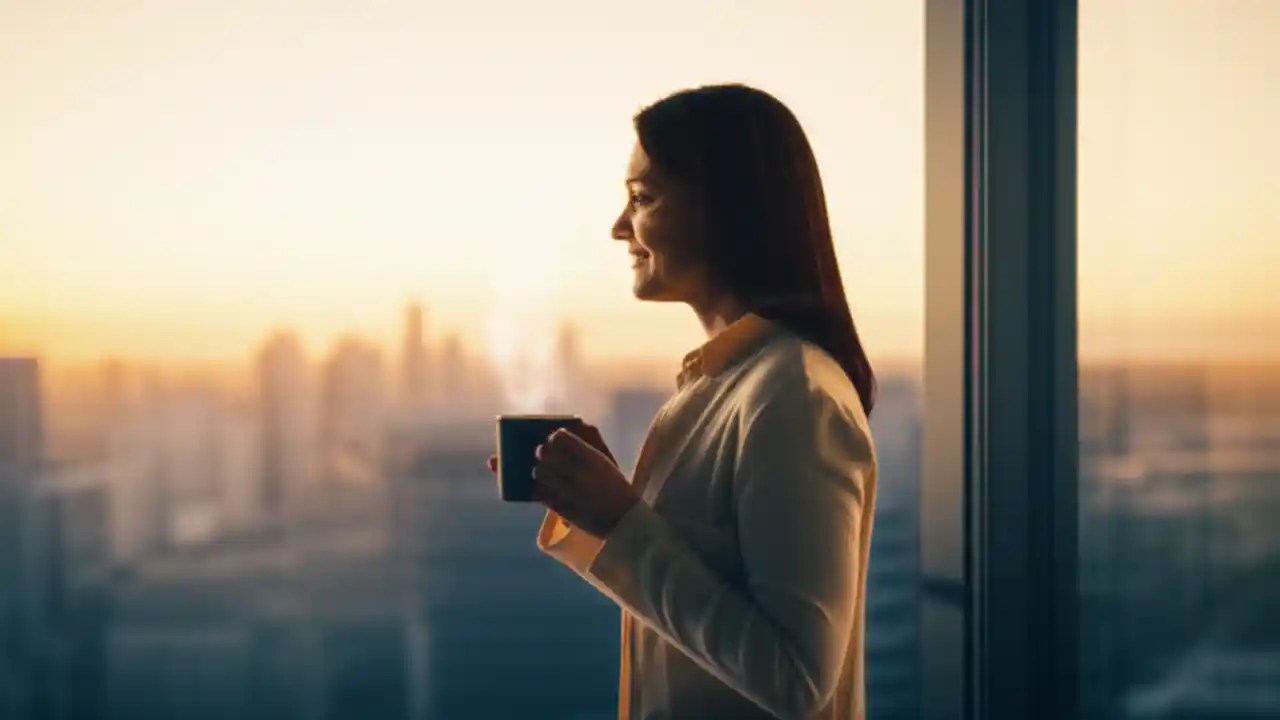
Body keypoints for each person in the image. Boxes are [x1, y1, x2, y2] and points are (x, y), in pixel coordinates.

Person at [487, 83, 878, 719]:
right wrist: (599, 509)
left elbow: (797, 681)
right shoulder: (725, 385)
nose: (619, 228)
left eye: (642, 198)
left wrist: (621, 521)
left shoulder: (793, 394)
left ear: (728, 208)